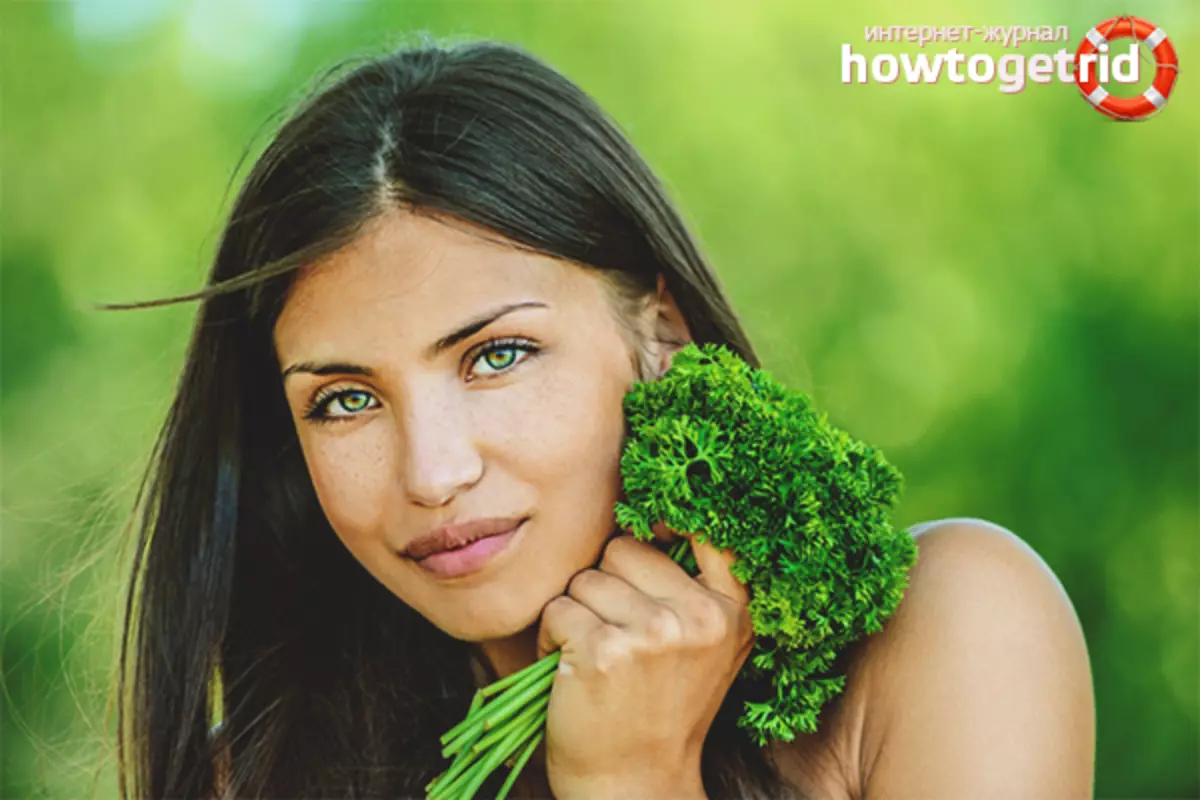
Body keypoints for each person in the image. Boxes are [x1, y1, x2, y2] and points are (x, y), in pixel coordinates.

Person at [112, 38, 1096, 799]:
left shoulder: (944, 634)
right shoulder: (259, 771)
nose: (433, 471)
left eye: (497, 354)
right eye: (347, 399)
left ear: (659, 332)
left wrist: (632, 777)